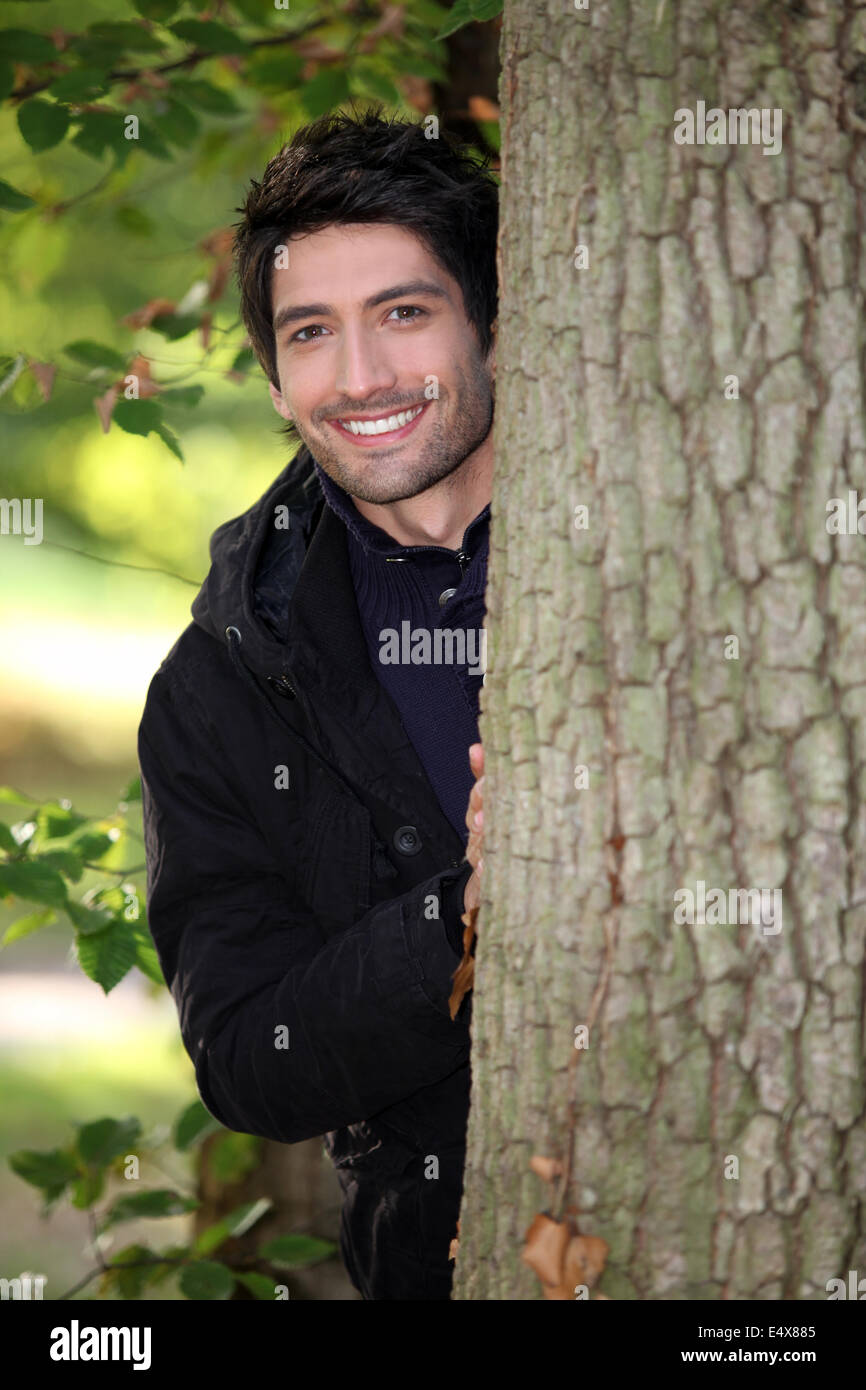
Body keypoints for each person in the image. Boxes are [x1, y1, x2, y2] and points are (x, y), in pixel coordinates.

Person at [138, 107, 496, 1301]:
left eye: (403, 312)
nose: (361, 379)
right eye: (310, 333)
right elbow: (247, 1061)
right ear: (276, 379)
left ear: (494, 319)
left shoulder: (678, 572)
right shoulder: (220, 685)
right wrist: (465, 920)